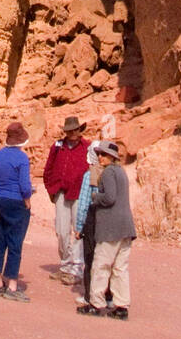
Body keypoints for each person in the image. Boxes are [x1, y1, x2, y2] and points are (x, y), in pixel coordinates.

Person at [76, 140, 135, 319]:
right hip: (125, 227)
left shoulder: (109, 173)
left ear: (111, 157)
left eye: (103, 154)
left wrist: (95, 196)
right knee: (120, 268)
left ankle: (96, 303)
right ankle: (121, 306)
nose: (100, 157)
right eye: (99, 154)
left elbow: (109, 198)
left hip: (110, 227)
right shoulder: (121, 172)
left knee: (101, 265)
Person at [0, 121, 34, 302]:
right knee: (15, 242)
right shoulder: (22, 158)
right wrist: (28, 199)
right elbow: (24, 185)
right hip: (15, 201)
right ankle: (12, 285)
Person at [42, 115, 90, 284]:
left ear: (79, 130)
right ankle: (65, 265)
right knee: (61, 231)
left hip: (79, 194)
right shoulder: (57, 147)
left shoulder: (87, 147)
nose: (72, 133)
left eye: (75, 130)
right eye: (69, 131)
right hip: (61, 193)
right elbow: (48, 168)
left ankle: (76, 269)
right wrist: (50, 189)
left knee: (78, 231)